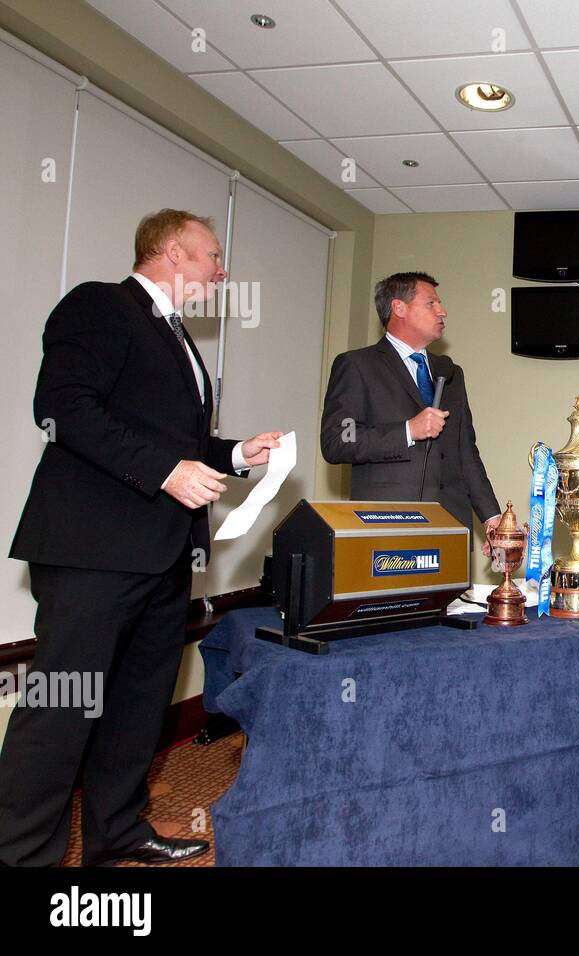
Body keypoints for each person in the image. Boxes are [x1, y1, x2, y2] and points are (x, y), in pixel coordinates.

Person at [0, 209, 283, 866]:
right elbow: (63, 408)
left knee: (137, 708)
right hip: (93, 553)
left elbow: (178, 445)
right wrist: (164, 471)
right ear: (174, 252)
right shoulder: (100, 306)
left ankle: (116, 831)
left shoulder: (179, 338)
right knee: (62, 709)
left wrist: (238, 452)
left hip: (163, 559)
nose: (222, 270)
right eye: (213, 256)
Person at [321, 272, 500, 553]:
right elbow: (337, 441)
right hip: (387, 527)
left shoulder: (450, 372)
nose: (443, 311)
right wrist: (407, 431)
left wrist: (492, 518)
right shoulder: (357, 365)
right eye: (431, 303)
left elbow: (466, 452)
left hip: (450, 525)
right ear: (398, 308)